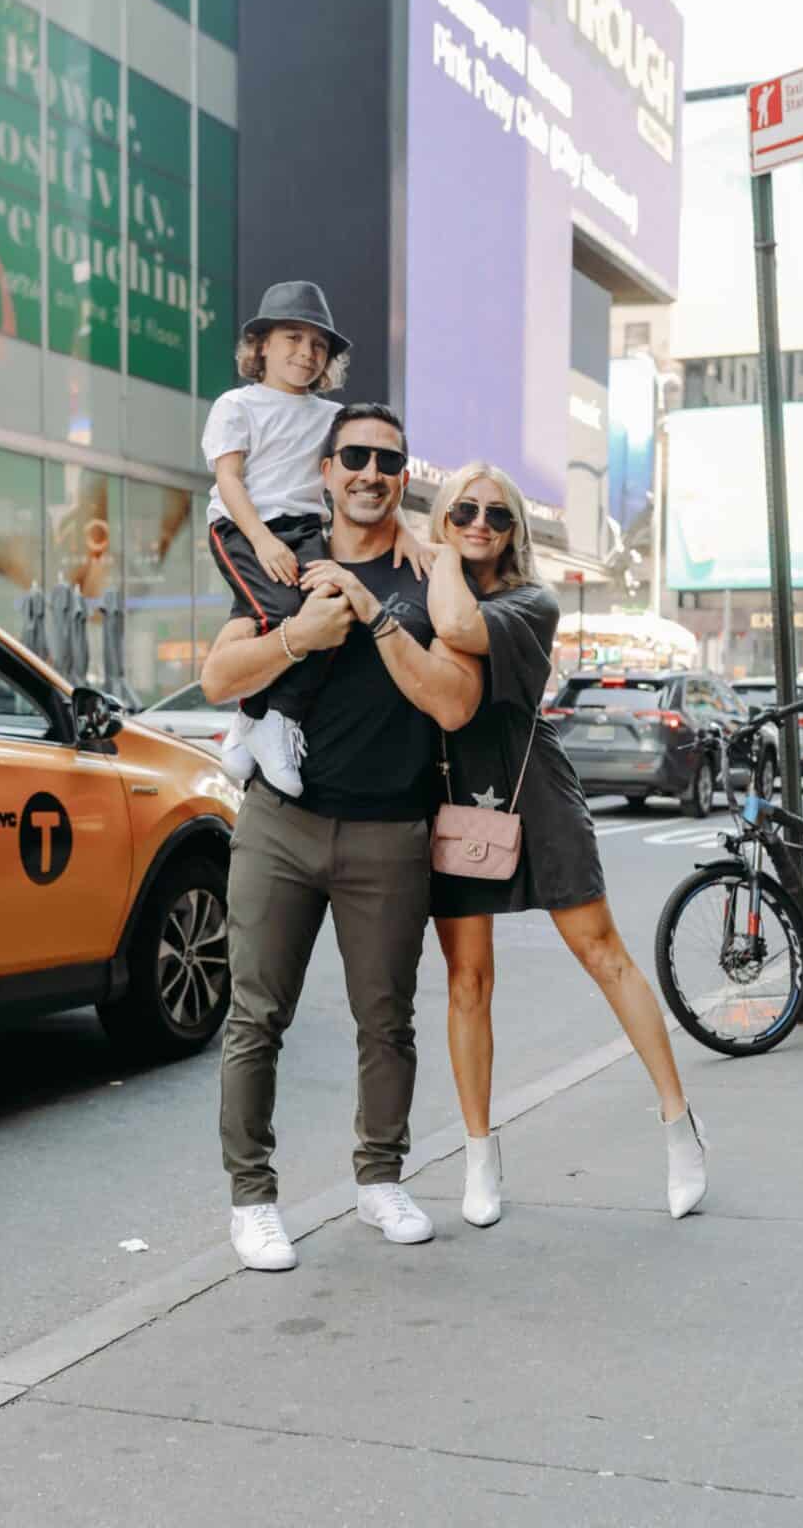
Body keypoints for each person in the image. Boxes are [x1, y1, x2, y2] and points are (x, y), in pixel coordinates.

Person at [200, 403, 483, 1273]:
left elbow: (455, 700)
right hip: (282, 827)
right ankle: (253, 1201)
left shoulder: (429, 573)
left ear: (404, 478)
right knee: (254, 1018)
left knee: (385, 1022)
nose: (369, 471)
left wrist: (375, 612)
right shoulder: (280, 565)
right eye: (353, 456)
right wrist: (297, 635)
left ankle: (380, 1179)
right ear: (325, 471)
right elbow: (218, 676)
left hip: (389, 833)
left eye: (387, 461)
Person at [423, 461, 708, 1227]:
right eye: (464, 511)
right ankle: (481, 1155)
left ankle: (680, 1125)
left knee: (603, 953)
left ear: (516, 531)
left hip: (532, 790)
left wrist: (439, 549)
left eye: (497, 514)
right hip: (450, 794)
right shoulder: (417, 587)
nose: (480, 523)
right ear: (442, 514)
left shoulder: (530, 601)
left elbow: (454, 628)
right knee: (467, 981)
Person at [202, 281, 425, 796]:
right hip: (243, 529)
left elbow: (374, 464)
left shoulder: (331, 417)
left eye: (317, 345)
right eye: (292, 338)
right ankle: (267, 718)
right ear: (261, 345)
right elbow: (229, 481)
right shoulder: (237, 405)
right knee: (283, 612)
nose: (306, 353)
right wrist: (262, 542)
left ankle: (256, 721)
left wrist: (407, 529)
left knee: (334, 614)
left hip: (306, 531)